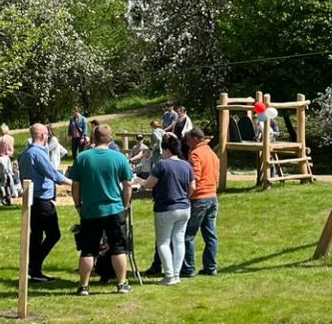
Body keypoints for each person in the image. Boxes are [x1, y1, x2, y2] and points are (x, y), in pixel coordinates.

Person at [69, 124, 135, 296]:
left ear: (93, 138)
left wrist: (78, 205)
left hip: (90, 209)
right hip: (114, 208)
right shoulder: (119, 158)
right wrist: (125, 204)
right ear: (110, 138)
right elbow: (128, 185)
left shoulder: (82, 158)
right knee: (118, 247)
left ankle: (84, 286)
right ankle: (122, 283)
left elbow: (75, 186)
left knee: (88, 249)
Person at [141, 135, 193, 286]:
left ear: (167, 150)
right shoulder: (186, 165)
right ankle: (176, 274)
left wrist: (141, 182)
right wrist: (184, 197)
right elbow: (193, 187)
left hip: (166, 208)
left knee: (163, 242)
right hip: (184, 207)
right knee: (179, 241)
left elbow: (150, 184)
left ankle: (169, 275)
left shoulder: (162, 165)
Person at [22, 124, 70, 284]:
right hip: (42, 201)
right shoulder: (37, 154)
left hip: (31, 200)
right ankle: (34, 267)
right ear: (43, 136)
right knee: (53, 234)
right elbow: (54, 174)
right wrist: (75, 183)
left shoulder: (25, 154)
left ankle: (34, 271)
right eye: (47, 135)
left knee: (36, 235)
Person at [182, 126, 220, 277]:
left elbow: (194, 177)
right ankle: (210, 267)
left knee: (188, 235)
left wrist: (187, 194)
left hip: (199, 198)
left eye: (188, 139)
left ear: (196, 139)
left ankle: (188, 268)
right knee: (210, 235)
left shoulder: (196, 154)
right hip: (212, 196)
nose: (186, 142)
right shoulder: (212, 153)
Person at [0, 124, 19, 206]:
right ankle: (10, 195)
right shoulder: (12, 139)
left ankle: (3, 195)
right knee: (9, 178)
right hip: (9, 160)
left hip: (1, 160)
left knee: (1, 179)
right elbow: (12, 150)